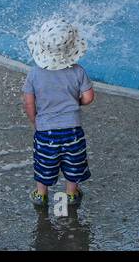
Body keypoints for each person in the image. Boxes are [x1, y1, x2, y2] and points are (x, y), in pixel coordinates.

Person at [22, 19, 94, 208]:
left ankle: (41, 194)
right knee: (73, 162)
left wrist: (34, 121)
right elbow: (88, 97)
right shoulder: (78, 71)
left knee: (44, 163)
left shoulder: (34, 74)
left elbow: (28, 102)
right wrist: (76, 102)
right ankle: (70, 194)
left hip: (46, 131)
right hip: (72, 130)